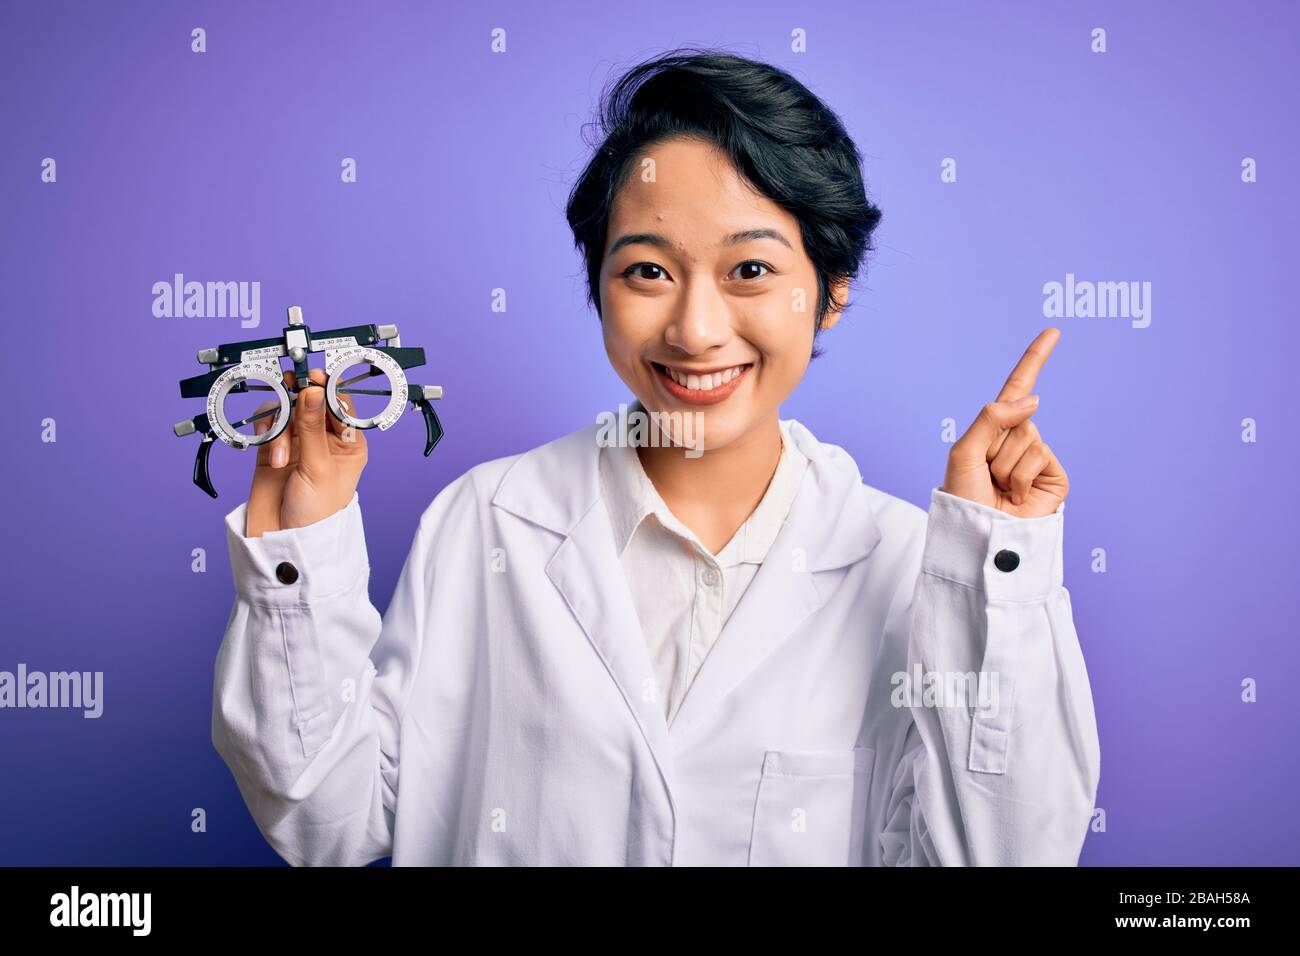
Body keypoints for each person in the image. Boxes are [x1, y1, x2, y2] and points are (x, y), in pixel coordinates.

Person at [211, 49, 1099, 866]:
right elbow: (325, 822)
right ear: (597, 284)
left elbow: (1004, 856)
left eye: (750, 272)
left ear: (830, 295)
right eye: (647, 271)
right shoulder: (486, 522)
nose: (696, 330)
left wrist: (998, 574)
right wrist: (303, 548)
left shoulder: (910, 566)